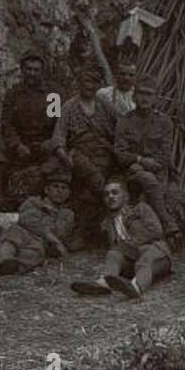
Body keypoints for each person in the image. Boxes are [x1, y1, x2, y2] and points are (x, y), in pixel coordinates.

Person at [0, 52, 62, 213]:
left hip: (43, 144)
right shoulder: (14, 93)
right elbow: (7, 124)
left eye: (36, 70)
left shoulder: (52, 95)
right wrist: (17, 144)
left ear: (42, 71)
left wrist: (49, 142)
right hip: (20, 143)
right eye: (28, 69)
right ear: (22, 70)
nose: (32, 73)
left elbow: (57, 123)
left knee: (56, 156)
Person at [70, 178, 172, 299]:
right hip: (131, 259)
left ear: (126, 196)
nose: (110, 197)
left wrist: (131, 243)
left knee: (145, 259)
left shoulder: (141, 209)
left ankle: (136, 287)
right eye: (106, 194)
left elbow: (156, 232)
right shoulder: (108, 222)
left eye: (115, 192)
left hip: (155, 255)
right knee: (113, 254)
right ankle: (104, 284)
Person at [51, 65, 116, 242]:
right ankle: (104, 197)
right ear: (79, 83)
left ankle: (86, 230)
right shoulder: (69, 107)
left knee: (89, 190)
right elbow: (58, 136)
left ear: (97, 86)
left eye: (93, 82)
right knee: (85, 169)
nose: (88, 86)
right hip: (79, 154)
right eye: (85, 81)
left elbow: (119, 133)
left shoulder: (106, 107)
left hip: (103, 155)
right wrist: (64, 156)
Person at [113, 79, 178, 236]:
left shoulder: (164, 122)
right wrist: (139, 160)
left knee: (149, 179)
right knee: (146, 178)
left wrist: (142, 164)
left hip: (158, 173)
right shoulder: (124, 121)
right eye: (141, 93)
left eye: (149, 94)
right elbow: (120, 154)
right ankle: (167, 220)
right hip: (130, 173)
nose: (145, 98)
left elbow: (164, 156)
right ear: (134, 96)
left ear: (156, 98)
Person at [0, 163, 75, 275]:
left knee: (34, 254)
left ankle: (10, 268)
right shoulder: (34, 201)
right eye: (55, 187)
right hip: (22, 231)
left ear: (68, 193)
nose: (59, 191)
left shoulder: (67, 214)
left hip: (41, 241)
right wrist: (52, 237)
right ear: (46, 190)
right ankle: (1, 261)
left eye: (64, 188)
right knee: (9, 242)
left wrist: (52, 236)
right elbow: (27, 220)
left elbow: (61, 232)